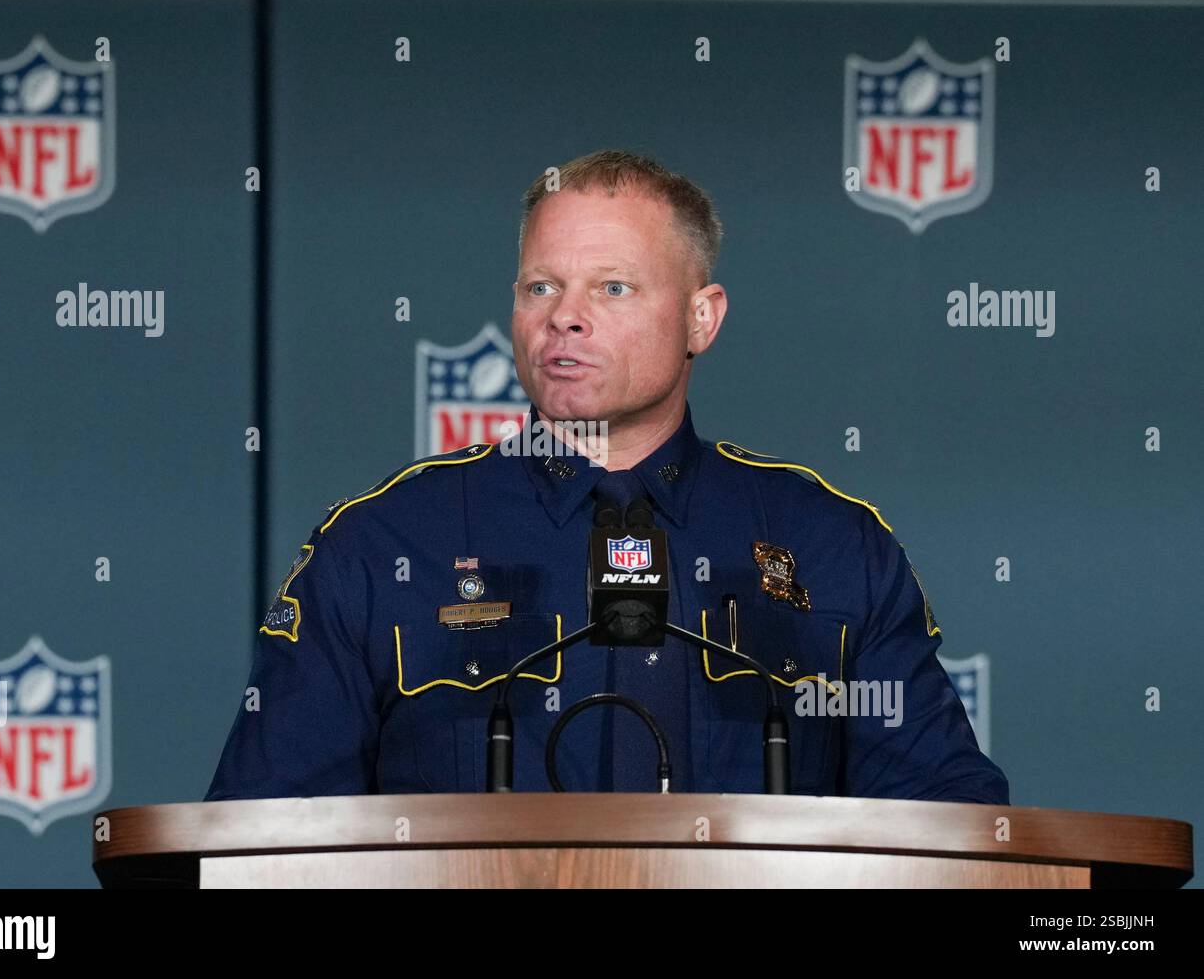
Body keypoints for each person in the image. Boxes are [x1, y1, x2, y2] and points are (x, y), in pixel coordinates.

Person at [205, 149, 1008, 802]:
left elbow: (951, 831)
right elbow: (261, 838)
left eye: (612, 287)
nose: (565, 315)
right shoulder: (381, 544)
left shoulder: (832, 544)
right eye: (540, 286)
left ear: (703, 317)